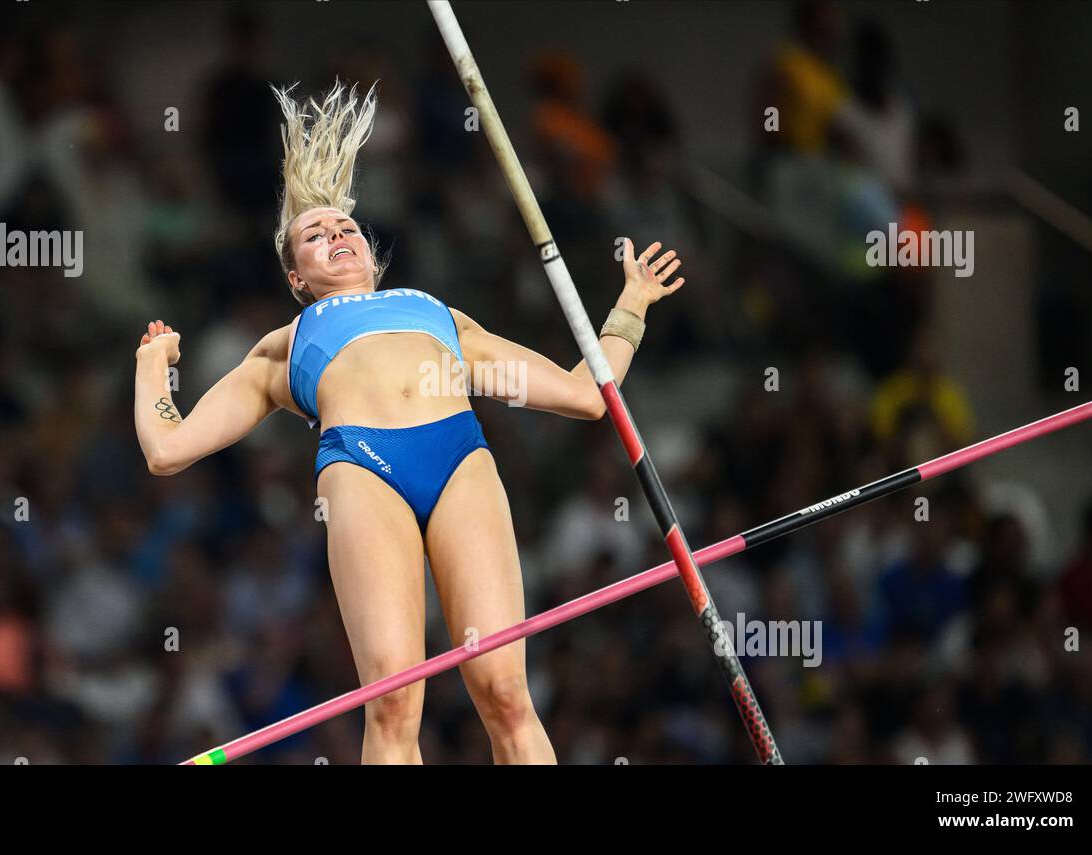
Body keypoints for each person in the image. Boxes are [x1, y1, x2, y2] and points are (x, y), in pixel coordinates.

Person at [133, 81, 684, 764]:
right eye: (314, 234)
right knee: (394, 702)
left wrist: (630, 305)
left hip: (459, 460)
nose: (336, 235)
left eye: (346, 228)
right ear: (296, 276)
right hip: (364, 470)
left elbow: (585, 395)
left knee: (506, 692)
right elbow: (167, 447)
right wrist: (154, 363)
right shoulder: (284, 343)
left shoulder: (439, 313)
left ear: (371, 249)